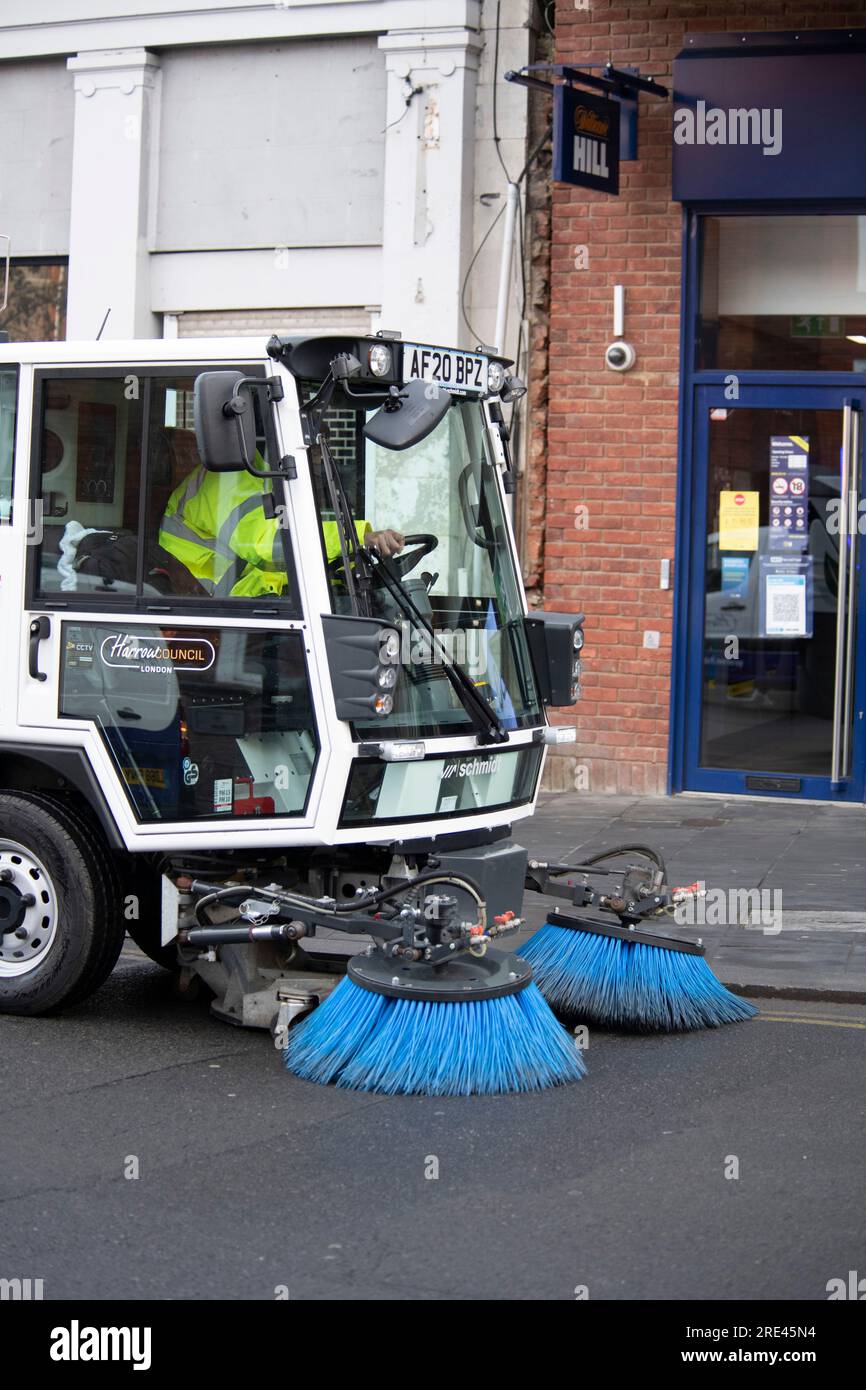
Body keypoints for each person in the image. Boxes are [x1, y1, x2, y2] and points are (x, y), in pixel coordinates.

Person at [159, 463, 403, 598]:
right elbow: (273, 546)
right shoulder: (224, 478)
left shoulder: (260, 471)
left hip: (247, 603)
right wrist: (356, 537)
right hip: (220, 611)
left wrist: (350, 563)